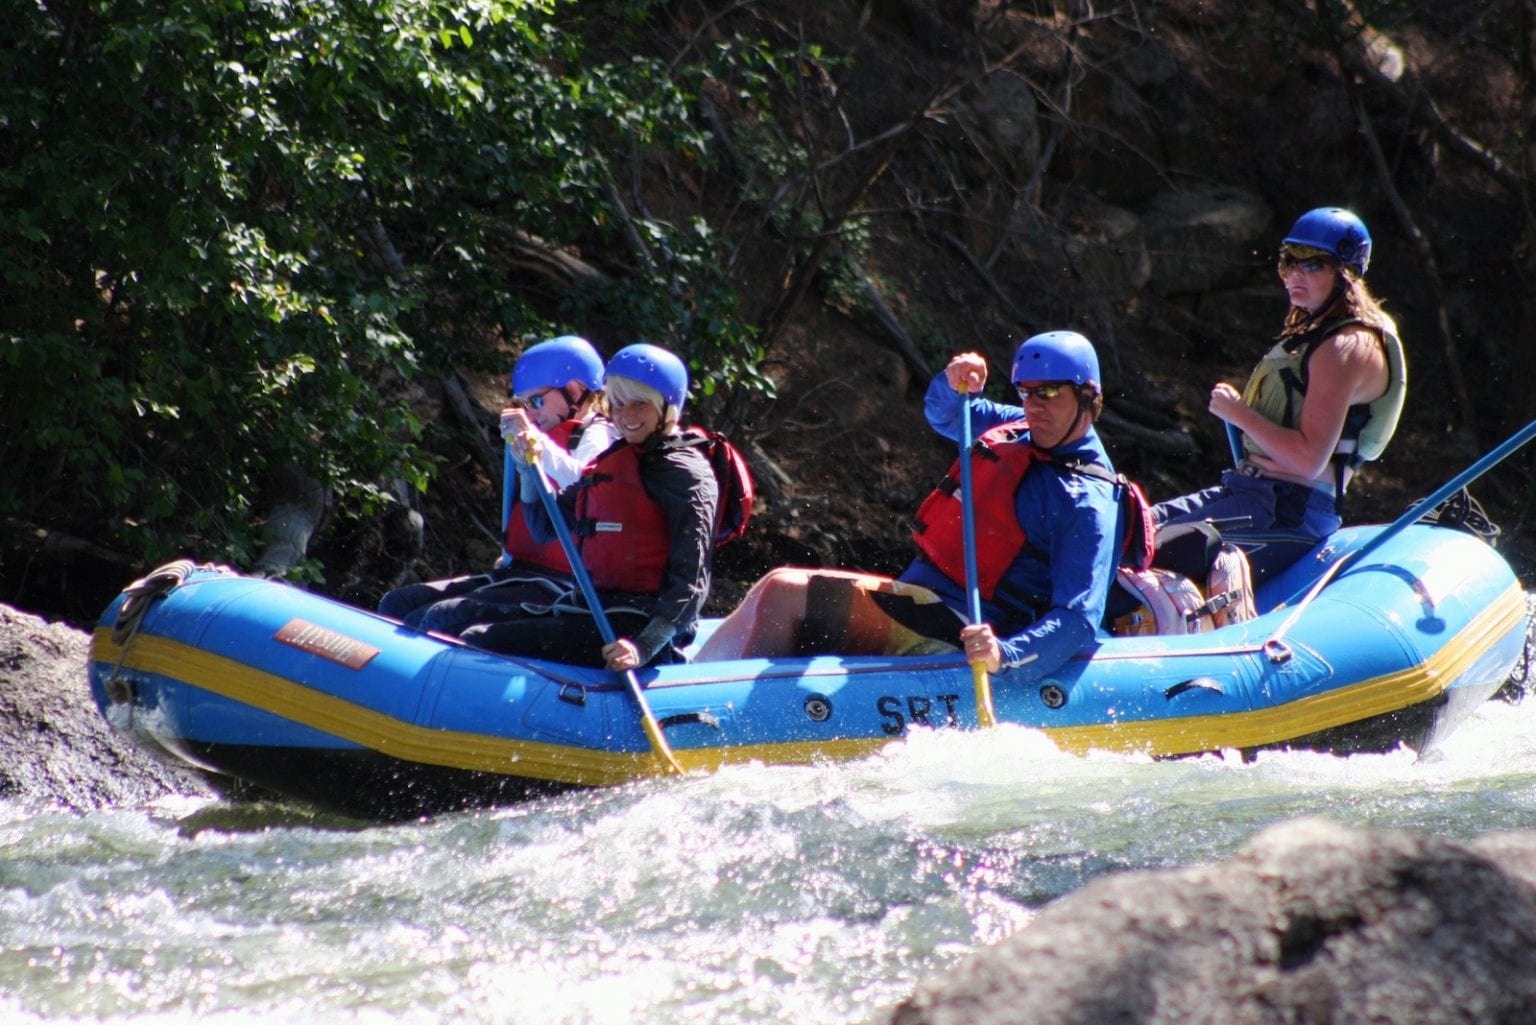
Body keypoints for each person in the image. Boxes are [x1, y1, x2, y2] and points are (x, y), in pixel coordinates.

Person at [697, 330, 1133, 682]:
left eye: (1049, 392)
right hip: (926, 602)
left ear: (1088, 396)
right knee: (769, 588)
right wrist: (953, 379)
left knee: (784, 593)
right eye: (1026, 391)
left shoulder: (1087, 501)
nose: (1034, 405)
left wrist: (1005, 654)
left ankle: (716, 718)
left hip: (964, 629)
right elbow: (946, 414)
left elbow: (1077, 618)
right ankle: (686, 691)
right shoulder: (1019, 428)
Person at [1152, 207, 1406, 584]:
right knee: (1128, 526)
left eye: (1312, 264)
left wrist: (1239, 413)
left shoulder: (1346, 348)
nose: (1294, 274)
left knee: (1154, 551)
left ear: (1345, 275)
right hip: (1248, 491)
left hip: (1291, 511)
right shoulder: (1313, 334)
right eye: (1289, 261)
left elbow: (1307, 460)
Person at [458, 343, 720, 671]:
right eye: (618, 404)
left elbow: (692, 578)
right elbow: (544, 527)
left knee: (478, 640)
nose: (625, 416)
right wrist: (528, 469)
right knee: (466, 630)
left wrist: (643, 647)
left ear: (666, 407)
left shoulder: (686, 473)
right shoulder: (614, 460)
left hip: (638, 626)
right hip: (594, 608)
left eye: (639, 404)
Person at [377, 334, 615, 630]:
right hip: (520, 570)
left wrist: (536, 444)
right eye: (526, 404)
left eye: (538, 400)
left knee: (439, 617)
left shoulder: (599, 435)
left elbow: (583, 481)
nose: (531, 412)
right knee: (398, 603)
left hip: (564, 582)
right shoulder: (547, 432)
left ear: (575, 390)